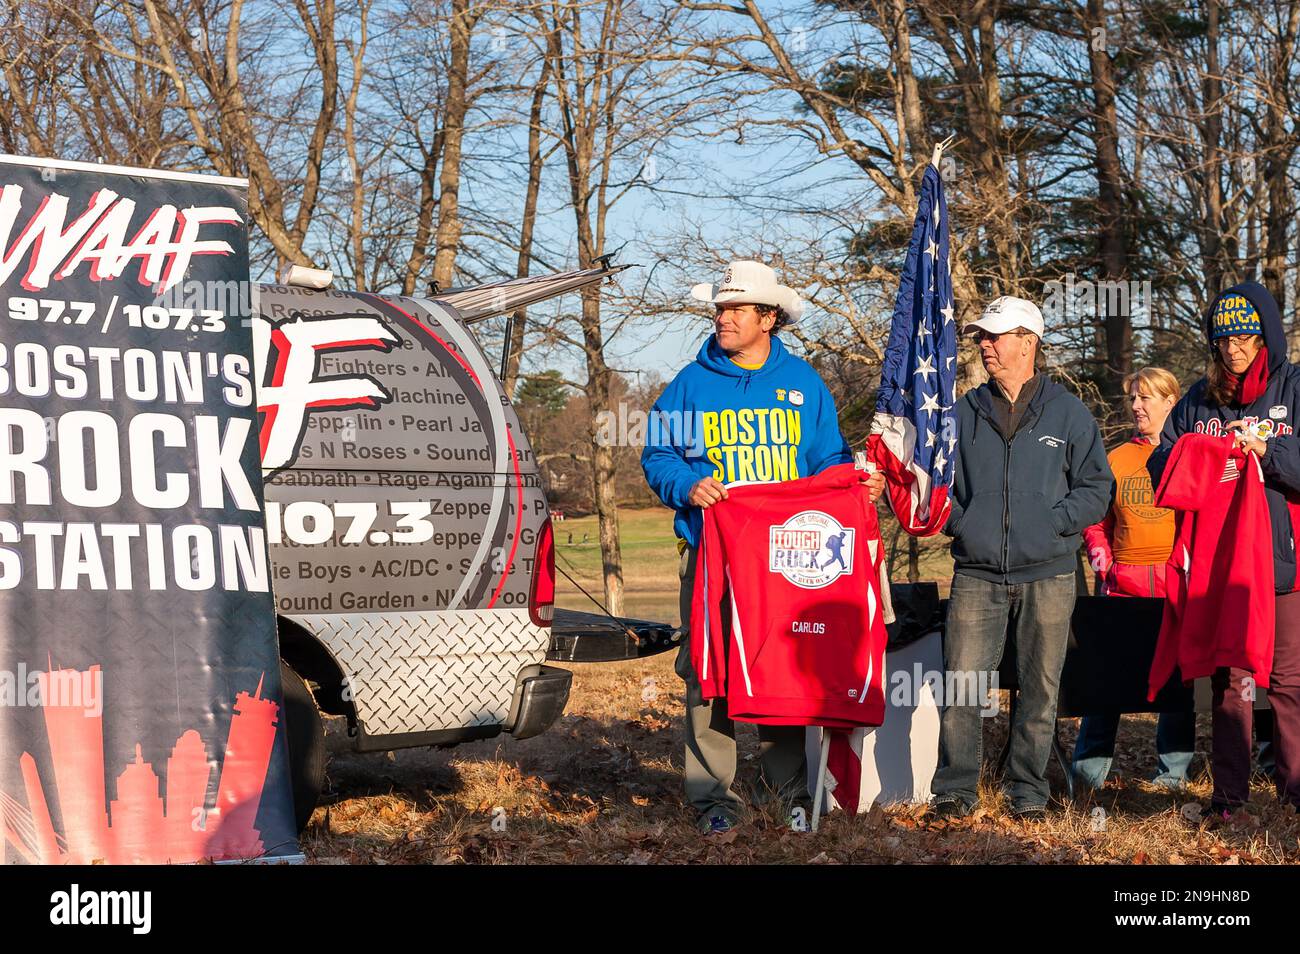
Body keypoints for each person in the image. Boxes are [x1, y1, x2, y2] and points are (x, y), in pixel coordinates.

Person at [640, 259, 884, 834]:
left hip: (784, 561)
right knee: (707, 671)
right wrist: (687, 484)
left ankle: (790, 792)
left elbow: (827, 463)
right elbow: (657, 455)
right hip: (710, 554)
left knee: (778, 667)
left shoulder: (803, 383)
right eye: (720, 309)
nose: (722, 318)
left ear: (768, 318)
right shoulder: (689, 384)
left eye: (735, 309)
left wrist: (857, 481)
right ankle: (711, 801)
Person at [929, 295, 1113, 821]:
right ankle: (956, 793)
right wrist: (963, 525)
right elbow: (935, 488)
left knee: (1039, 690)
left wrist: (1051, 524)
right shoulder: (960, 413)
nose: (985, 344)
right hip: (976, 575)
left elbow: (1097, 487)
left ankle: (1028, 793)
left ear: (1028, 343)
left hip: (1050, 574)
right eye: (982, 337)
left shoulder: (1068, 411)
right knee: (963, 687)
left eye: (996, 335)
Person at [1146, 282, 1300, 820]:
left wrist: (1268, 448)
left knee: (1286, 680)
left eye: (1245, 336)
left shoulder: (1294, 386)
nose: (1234, 348)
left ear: (1266, 335)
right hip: (1218, 562)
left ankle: (1294, 793)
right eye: (1223, 339)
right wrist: (1200, 453)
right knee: (1230, 679)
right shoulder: (1198, 398)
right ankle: (1229, 798)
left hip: (1282, 564)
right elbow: (1159, 465)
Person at [1073, 367, 1196, 792]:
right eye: (1133, 398)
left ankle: (1173, 776)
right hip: (1122, 587)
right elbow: (1095, 520)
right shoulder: (1116, 458)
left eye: (1146, 398)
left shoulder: (1189, 454)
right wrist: (1100, 553)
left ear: (1170, 402)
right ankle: (1087, 777)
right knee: (1105, 682)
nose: (1136, 406)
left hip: (1174, 587)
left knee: (1178, 685)